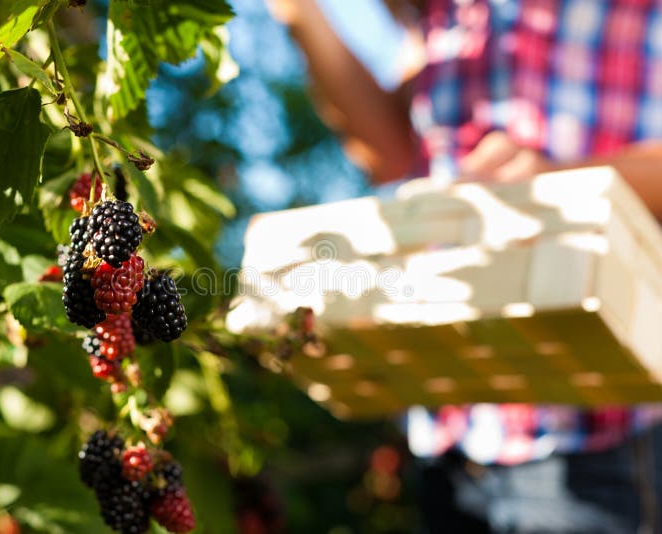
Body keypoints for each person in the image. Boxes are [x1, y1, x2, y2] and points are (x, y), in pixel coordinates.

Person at [267, 0, 662, 532]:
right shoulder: (450, 14)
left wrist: (561, 181)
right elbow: (388, 152)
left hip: (588, 426)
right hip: (448, 424)